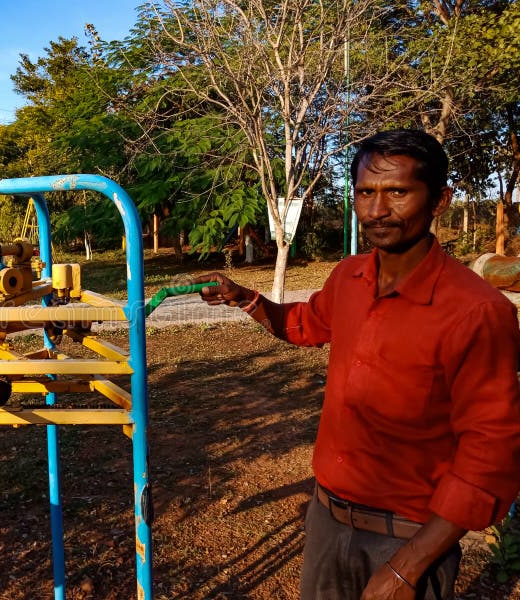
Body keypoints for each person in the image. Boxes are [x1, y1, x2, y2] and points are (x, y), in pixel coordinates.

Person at [191, 129, 520, 600]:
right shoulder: (350, 275)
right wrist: (249, 300)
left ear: (440, 201)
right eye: (365, 193)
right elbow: (304, 323)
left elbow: (490, 455)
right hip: (327, 520)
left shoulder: (476, 311)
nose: (377, 210)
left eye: (398, 192)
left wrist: (407, 570)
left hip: (407, 538)